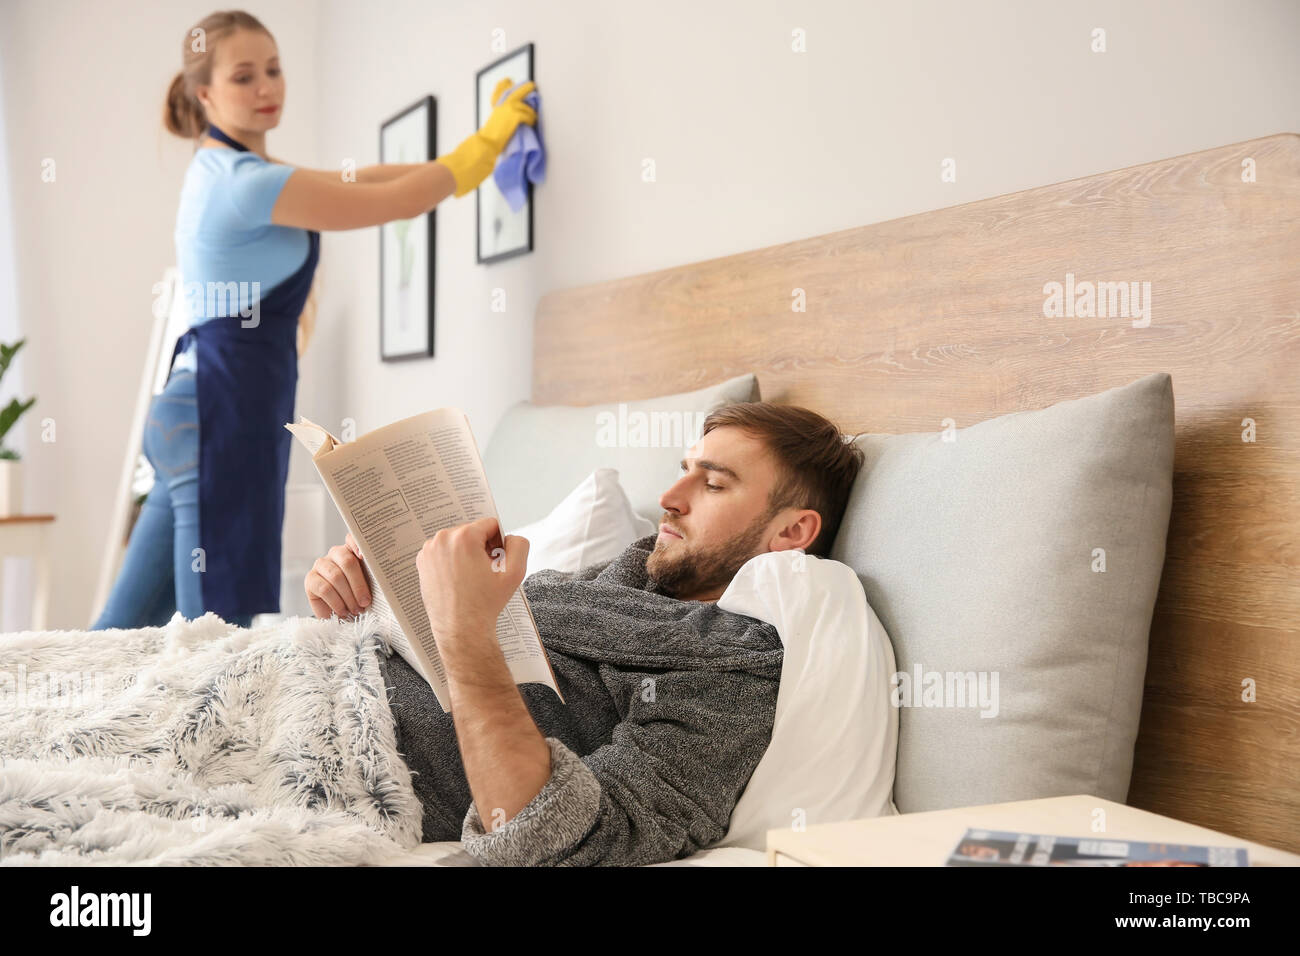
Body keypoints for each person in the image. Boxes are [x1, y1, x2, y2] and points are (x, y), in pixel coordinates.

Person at [94, 10, 535, 630]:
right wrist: (484, 147)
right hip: (222, 420)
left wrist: (468, 155)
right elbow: (393, 200)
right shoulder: (246, 185)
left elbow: (360, 179)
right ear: (204, 93)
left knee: (120, 631)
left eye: (273, 70)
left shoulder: (227, 171)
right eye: (244, 76)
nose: (267, 88)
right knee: (225, 640)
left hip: (191, 417)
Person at [305, 402, 868, 865]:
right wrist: (350, 606)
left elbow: (561, 841)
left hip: (322, 769)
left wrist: (465, 632)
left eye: (714, 484)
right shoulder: (594, 590)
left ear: (792, 530)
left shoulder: (728, 679)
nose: (671, 496)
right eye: (685, 467)